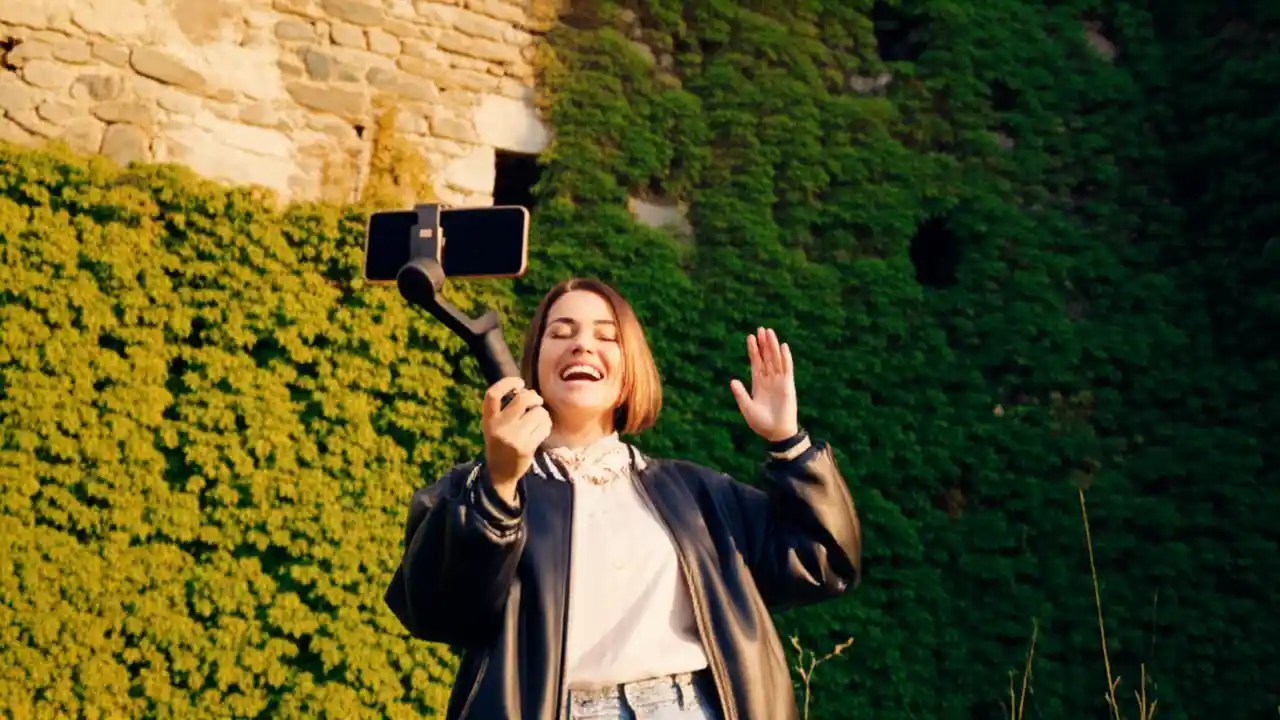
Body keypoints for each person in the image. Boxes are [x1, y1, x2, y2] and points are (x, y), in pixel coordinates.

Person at [385, 278, 862, 720]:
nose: (582, 344)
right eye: (561, 332)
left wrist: (788, 441)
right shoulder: (480, 490)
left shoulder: (695, 494)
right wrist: (499, 484)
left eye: (606, 335)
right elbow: (437, 611)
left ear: (629, 368)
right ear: (534, 364)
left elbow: (824, 562)